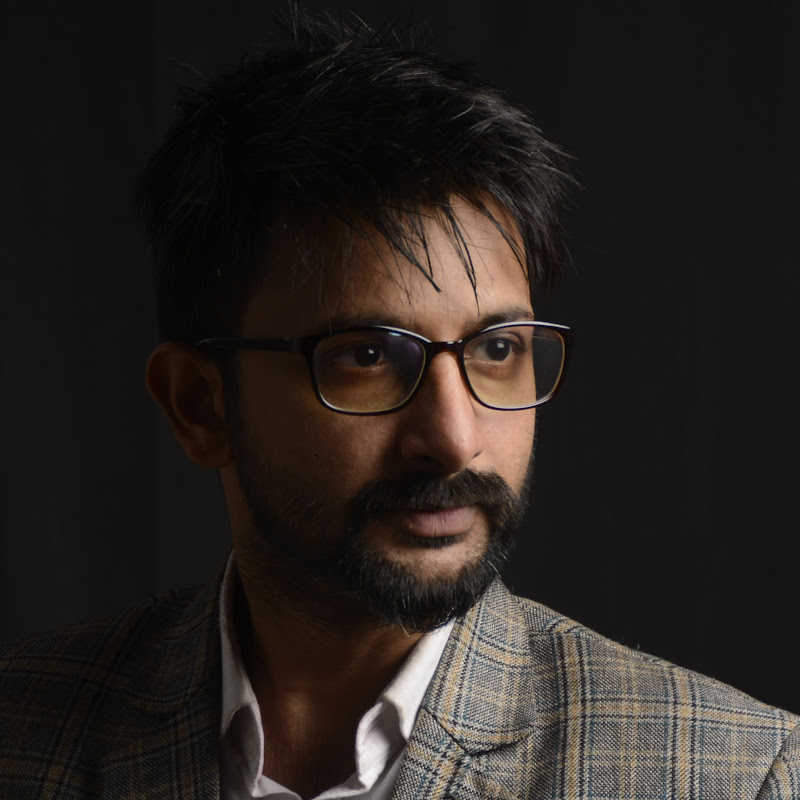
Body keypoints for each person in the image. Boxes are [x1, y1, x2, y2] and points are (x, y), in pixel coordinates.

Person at [1, 8, 798, 800]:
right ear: (199, 406)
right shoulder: (22, 737)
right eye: (370, 356)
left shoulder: (735, 775)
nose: (454, 439)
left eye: (497, 349)